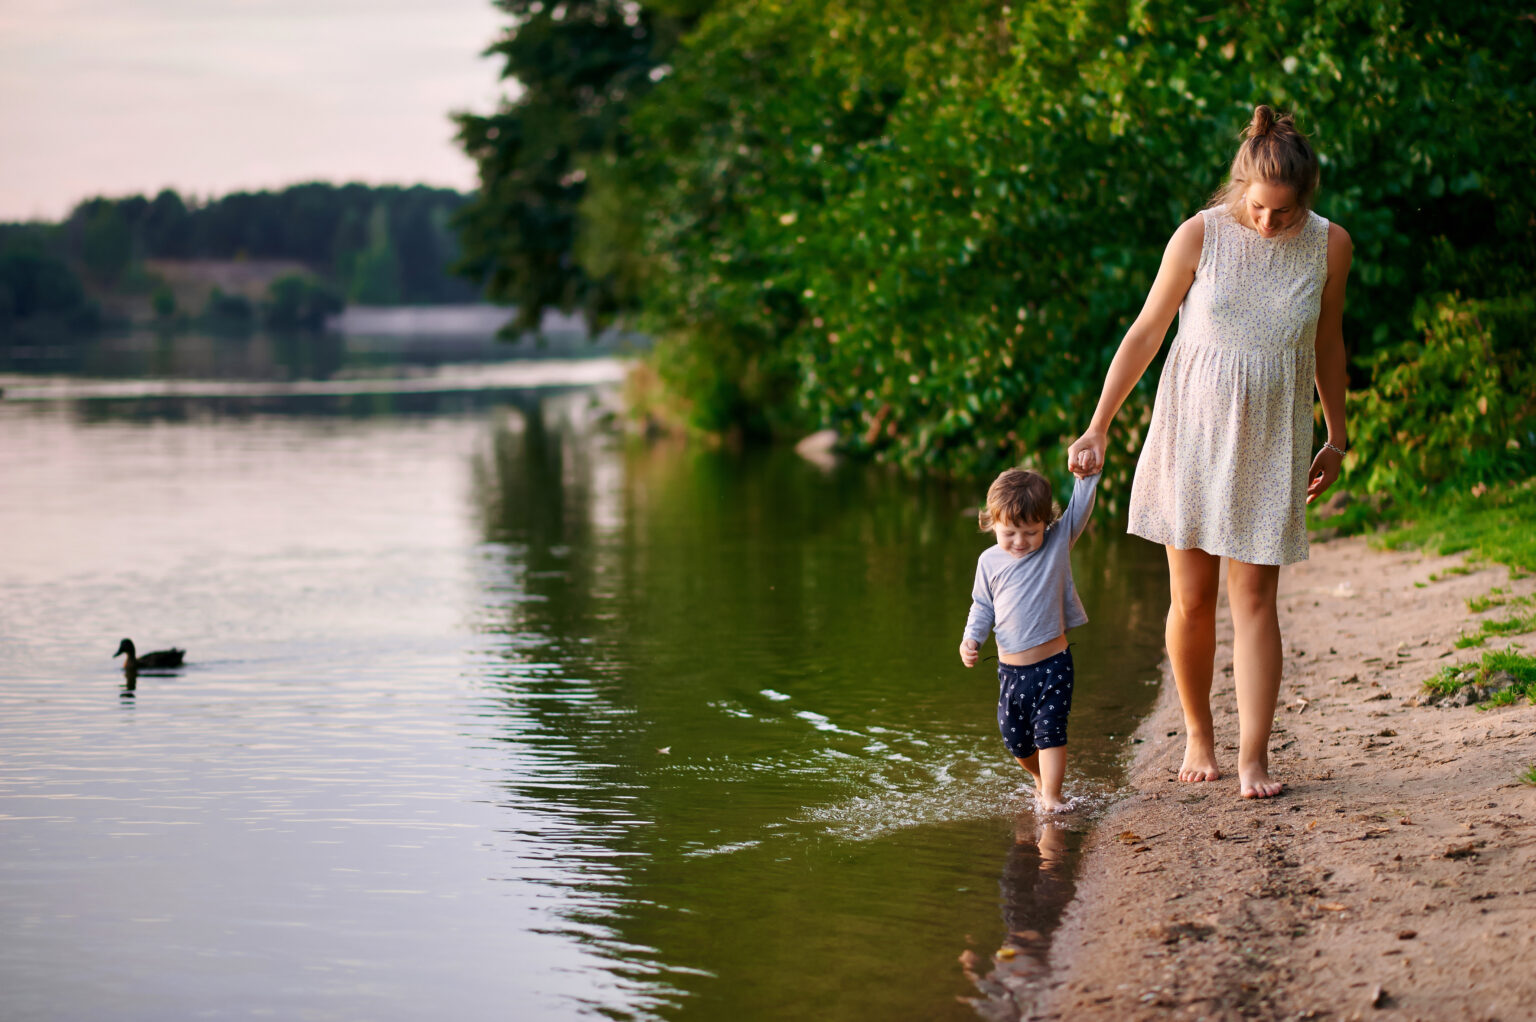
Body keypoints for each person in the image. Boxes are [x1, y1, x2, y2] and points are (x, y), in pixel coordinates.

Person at [1067, 105, 1352, 799]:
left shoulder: (1330, 245)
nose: (1268, 223)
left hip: (1271, 438)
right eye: (1258, 208)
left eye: (1283, 214)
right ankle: (1200, 734)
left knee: (1255, 598)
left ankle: (1254, 757)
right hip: (1193, 430)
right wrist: (1099, 425)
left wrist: (1337, 436)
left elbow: (1327, 343)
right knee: (1192, 601)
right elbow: (1145, 332)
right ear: (1240, 188)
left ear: (1305, 201)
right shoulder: (1200, 234)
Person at [960, 461, 1100, 812]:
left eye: (1031, 532)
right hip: (1010, 673)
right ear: (992, 523)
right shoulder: (988, 562)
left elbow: (1079, 510)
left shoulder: (1055, 543)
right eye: (1010, 533)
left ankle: (1052, 798)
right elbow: (982, 607)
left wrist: (1086, 476)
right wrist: (971, 640)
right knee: (1016, 742)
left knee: (1051, 732)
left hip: (1053, 666)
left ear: (1046, 525)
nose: (1020, 542)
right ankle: (1041, 781)